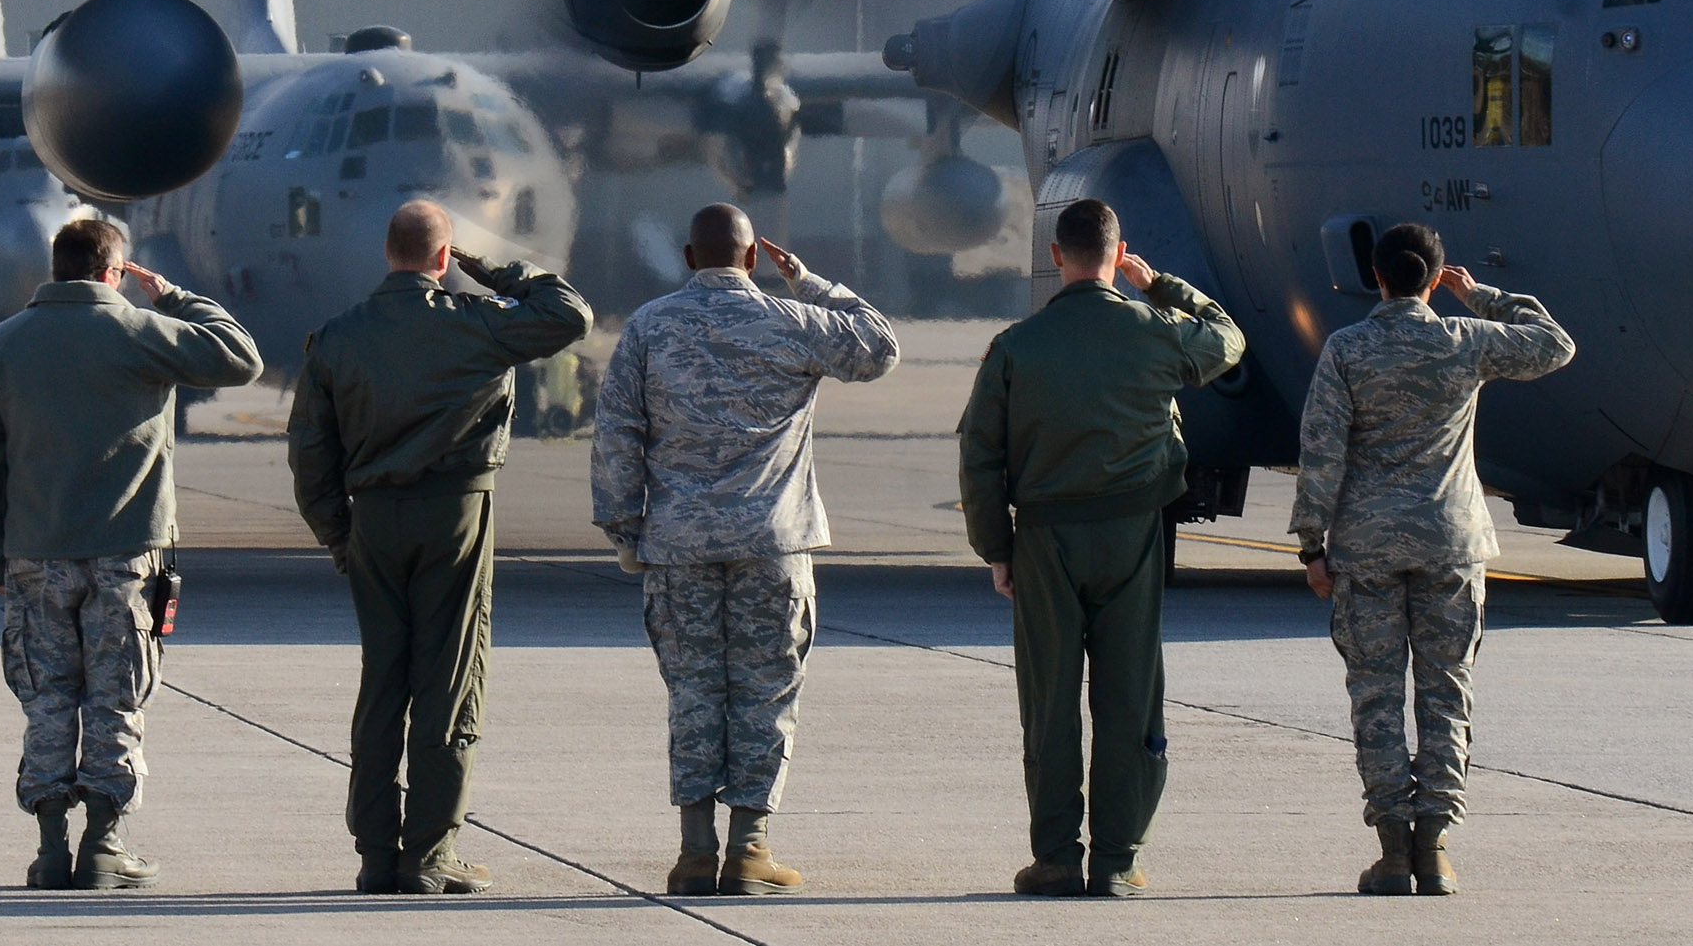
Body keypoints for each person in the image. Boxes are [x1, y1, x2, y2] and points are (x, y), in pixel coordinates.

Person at [592, 203, 899, 897]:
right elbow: (878, 345)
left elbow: (617, 432)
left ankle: (695, 850)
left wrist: (624, 529)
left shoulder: (649, 326)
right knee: (766, 692)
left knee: (694, 693)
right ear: (752, 257)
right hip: (772, 542)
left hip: (677, 545)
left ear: (688, 254)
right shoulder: (791, 322)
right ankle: (750, 847)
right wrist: (812, 283)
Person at [288, 200, 591, 896]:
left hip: (373, 517)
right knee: (449, 681)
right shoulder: (476, 324)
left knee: (382, 684)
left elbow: (309, 450)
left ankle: (374, 849)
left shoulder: (339, 336)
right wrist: (494, 269)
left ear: (388, 251)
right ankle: (428, 850)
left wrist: (339, 534)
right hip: (455, 511)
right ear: (442, 255)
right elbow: (568, 312)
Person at [0, 215, 264, 891]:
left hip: (36, 553)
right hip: (127, 554)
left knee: (47, 698)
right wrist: (173, 295)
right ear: (113, 270)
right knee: (116, 696)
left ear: (55, 265)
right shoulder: (140, 331)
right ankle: (103, 842)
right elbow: (240, 354)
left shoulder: (6, 343)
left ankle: (47, 847)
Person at [957, 199, 1245, 898]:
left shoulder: (1016, 346)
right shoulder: (1157, 331)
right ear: (1118, 255)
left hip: (1046, 538)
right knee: (1129, 698)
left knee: (1050, 702)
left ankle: (1056, 856)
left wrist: (998, 547)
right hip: (1132, 536)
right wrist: (1163, 286)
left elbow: (980, 456)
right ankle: (1117, 859)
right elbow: (1229, 339)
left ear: (1056, 256)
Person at [1290, 221, 1574, 897]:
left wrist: (1311, 542)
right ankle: (1435, 847)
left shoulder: (1348, 349)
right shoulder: (1462, 341)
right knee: (1447, 693)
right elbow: (1554, 345)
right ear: (1434, 276)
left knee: (1377, 695)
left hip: (1368, 548)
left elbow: (1321, 448)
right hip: (1451, 543)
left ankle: (1392, 850)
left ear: (1378, 276)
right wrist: (1481, 296)